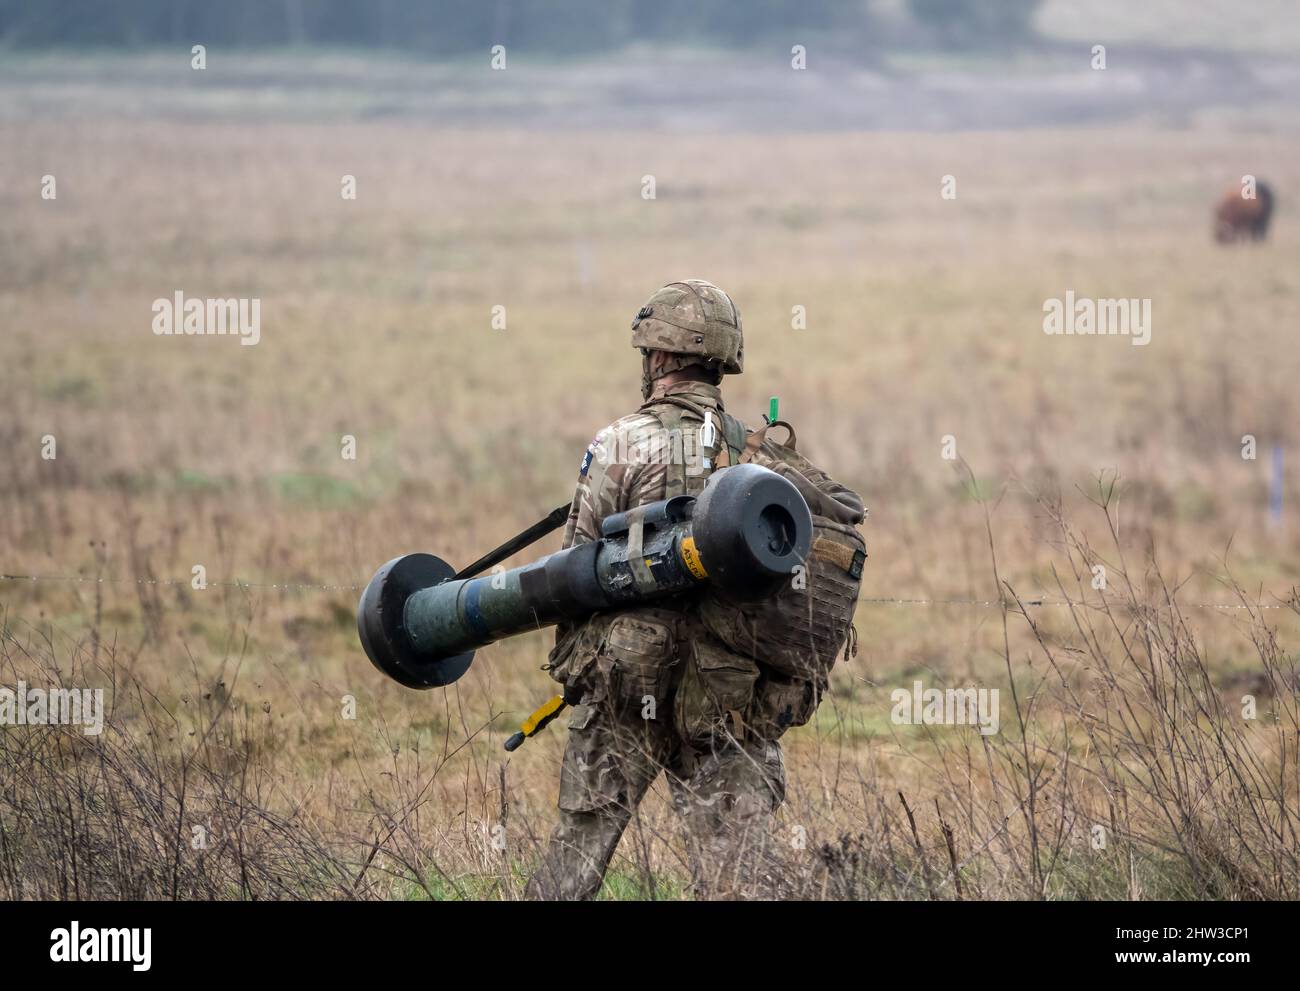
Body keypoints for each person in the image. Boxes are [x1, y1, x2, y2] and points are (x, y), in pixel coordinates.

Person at [525, 279, 864, 900]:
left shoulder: (620, 442)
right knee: (740, 879)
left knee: (574, 863)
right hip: (728, 695)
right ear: (722, 362)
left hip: (629, 683)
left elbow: (572, 574)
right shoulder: (769, 463)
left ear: (656, 357)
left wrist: (576, 669)